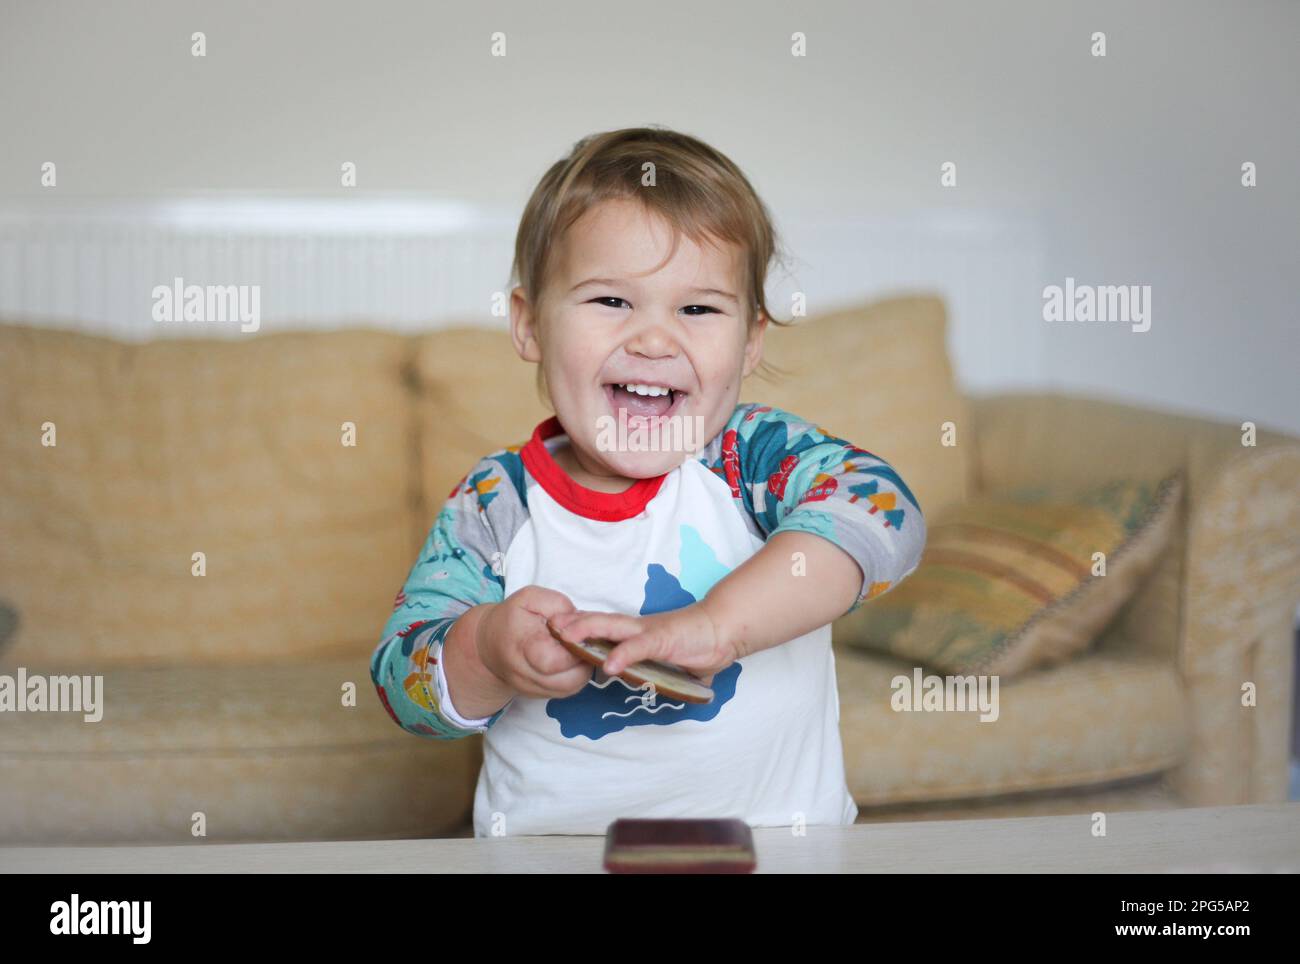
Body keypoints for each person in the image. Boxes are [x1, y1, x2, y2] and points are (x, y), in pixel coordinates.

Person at [370, 126, 926, 837]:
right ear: (530, 324)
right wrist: (486, 649)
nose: (655, 339)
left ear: (751, 341)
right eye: (611, 302)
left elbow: (887, 515)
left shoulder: (755, 459)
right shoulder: (496, 503)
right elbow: (400, 684)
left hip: (778, 849)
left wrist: (716, 625)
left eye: (698, 309)